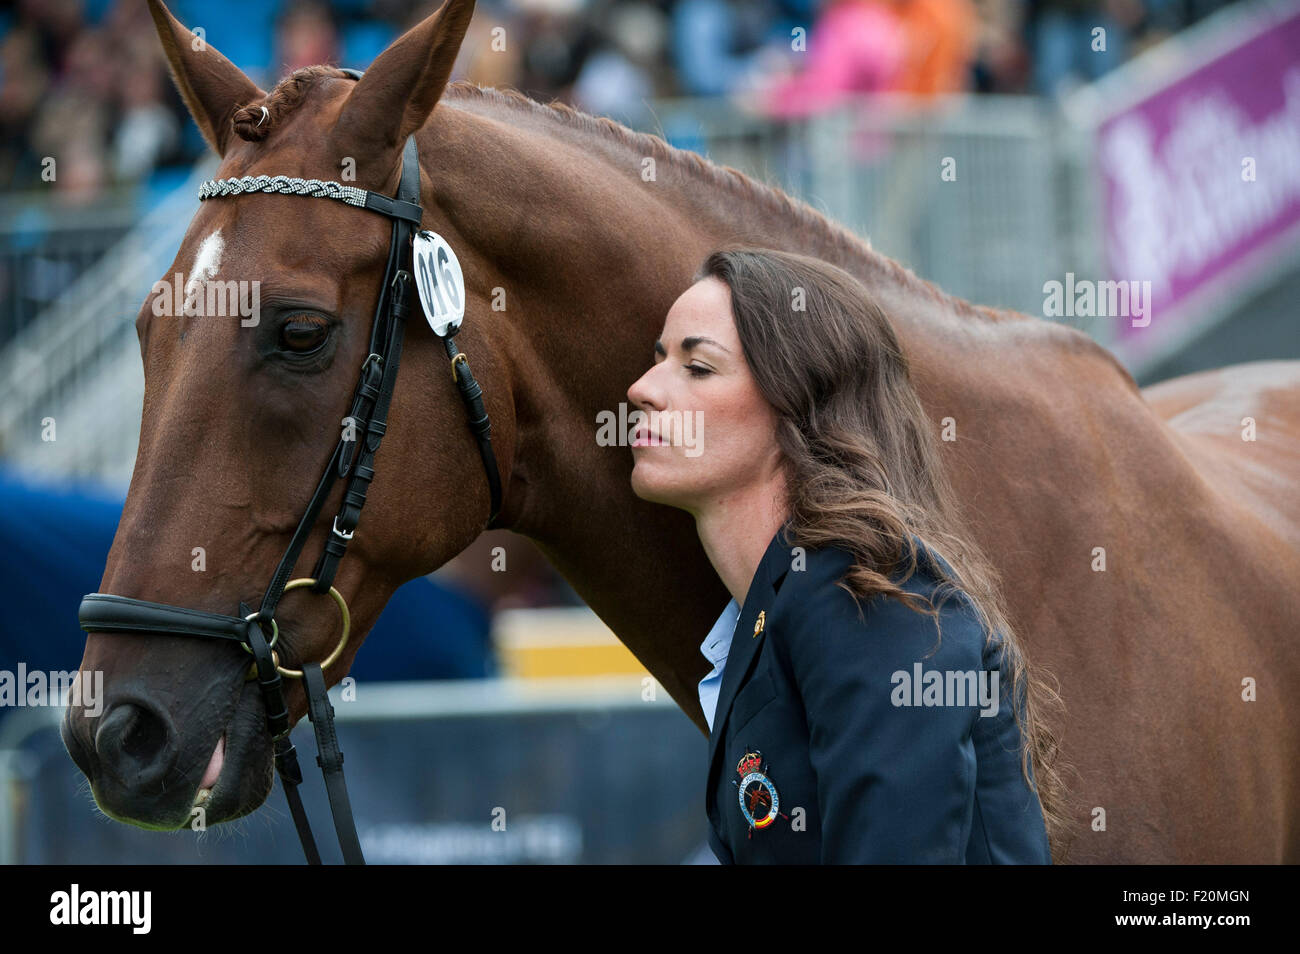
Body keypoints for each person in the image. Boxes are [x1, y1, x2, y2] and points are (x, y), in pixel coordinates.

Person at [626, 247, 1066, 863]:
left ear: (795, 402)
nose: (642, 389)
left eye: (697, 367)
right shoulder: (786, 605)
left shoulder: (865, 590)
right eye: (657, 360)